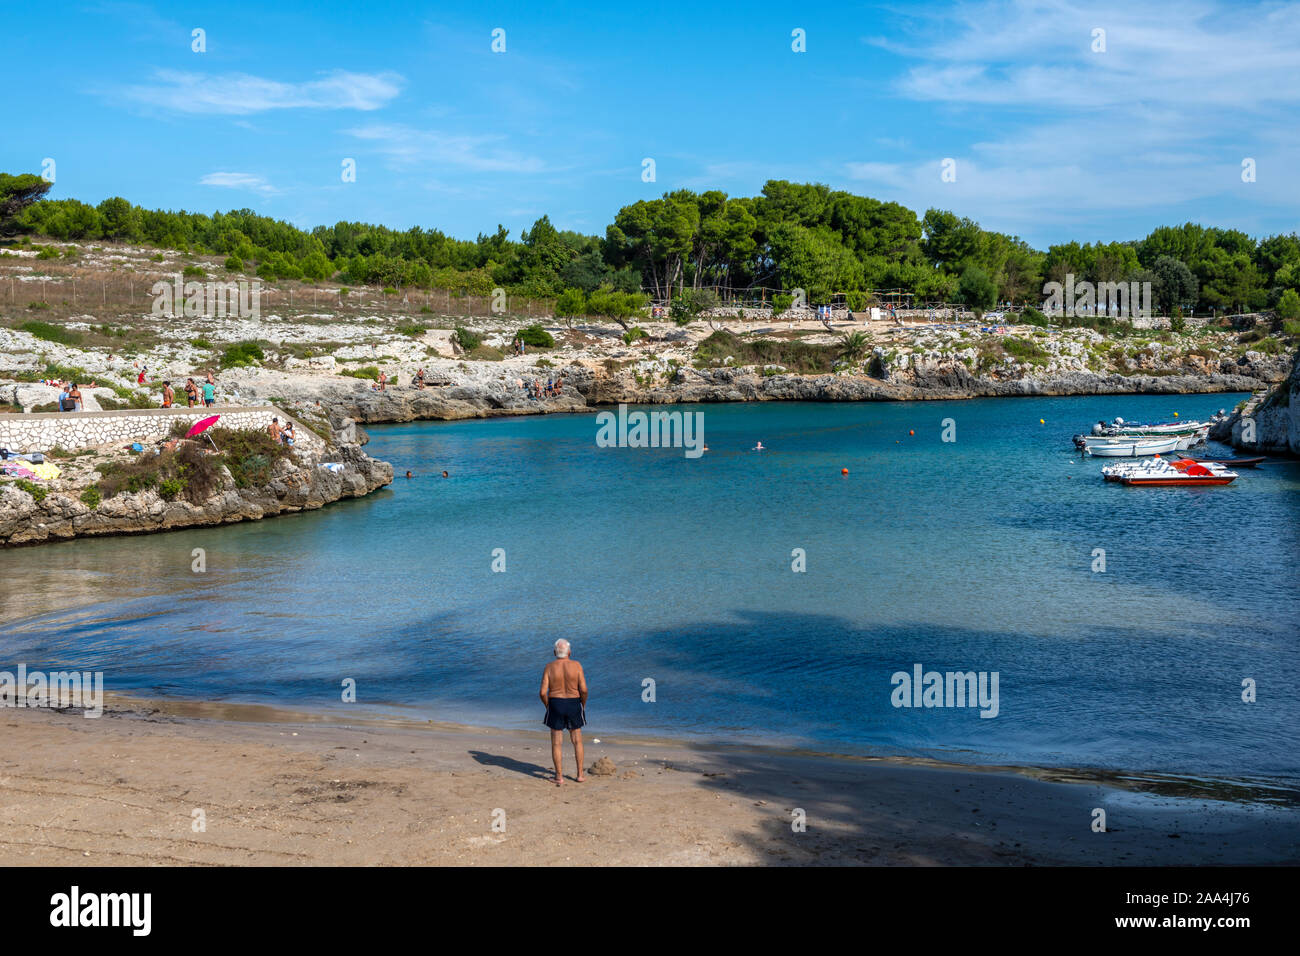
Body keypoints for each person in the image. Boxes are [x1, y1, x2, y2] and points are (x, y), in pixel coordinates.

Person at [539, 639, 588, 787]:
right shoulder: (577, 665)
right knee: (577, 741)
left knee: (556, 743)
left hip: (556, 703)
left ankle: (559, 777)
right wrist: (582, 704)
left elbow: (542, 693)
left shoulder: (549, 667)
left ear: (555, 653)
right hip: (574, 703)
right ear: (570, 653)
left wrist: (548, 706)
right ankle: (580, 775)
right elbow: (584, 690)